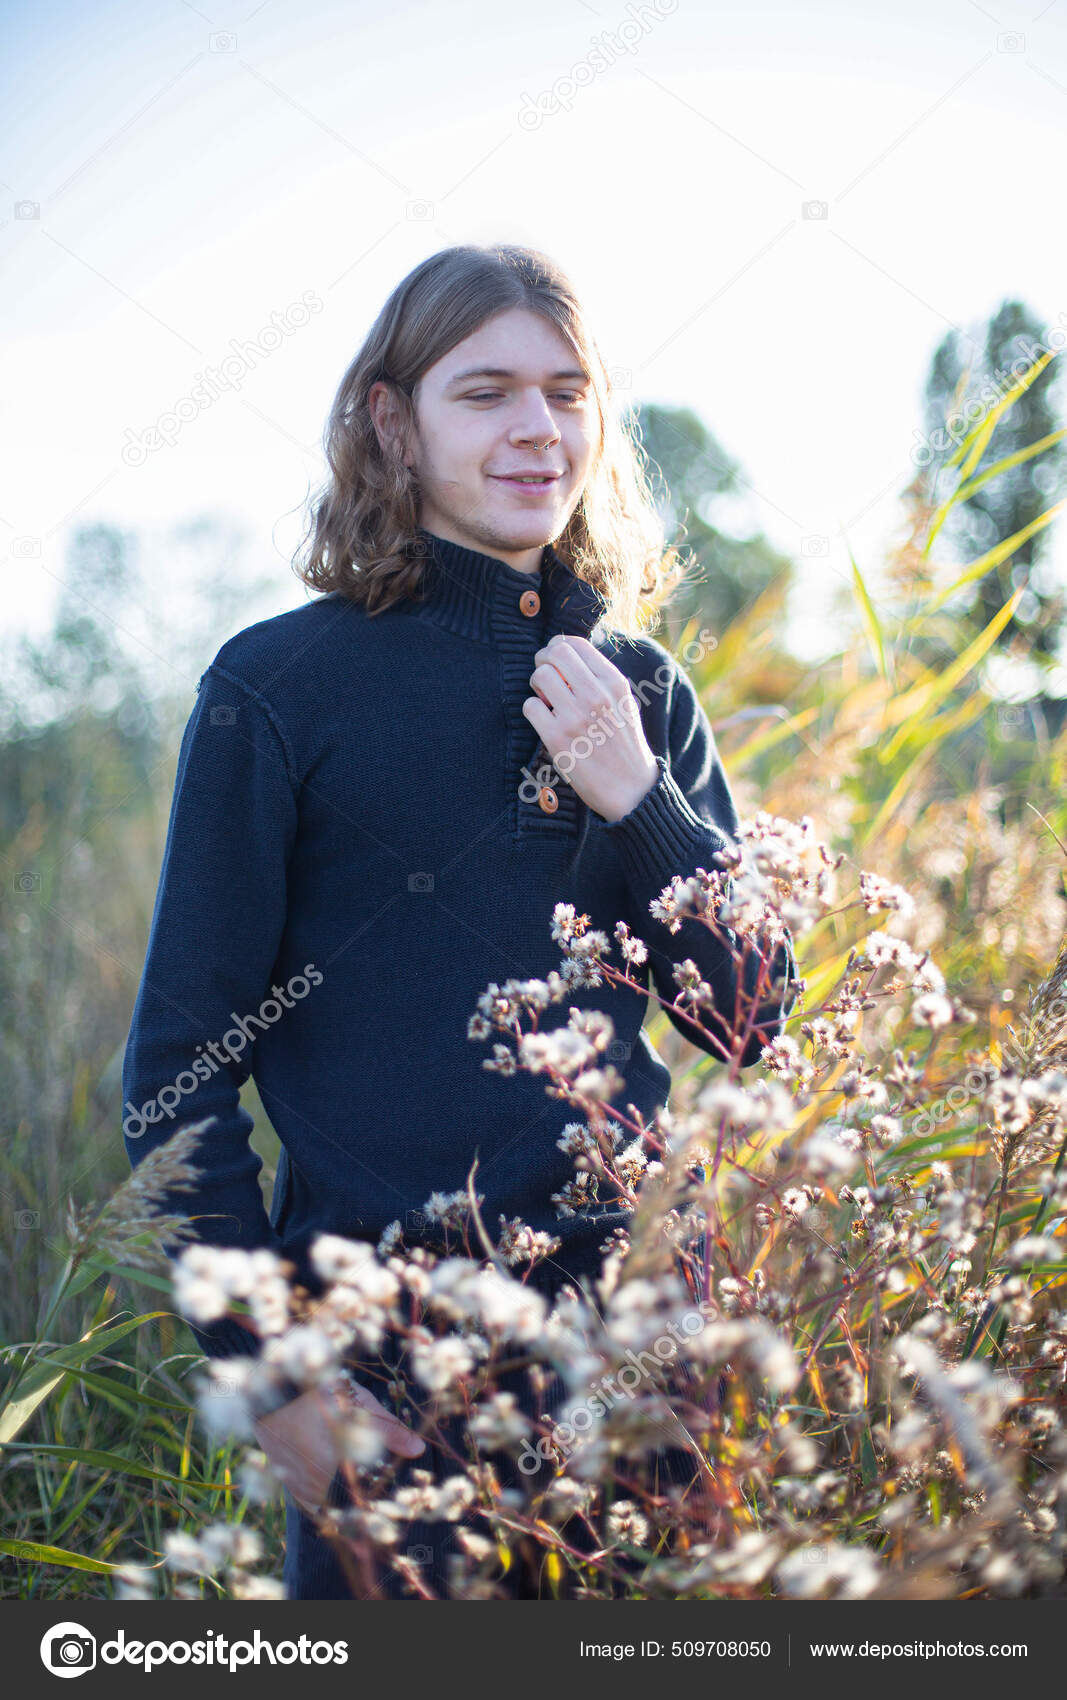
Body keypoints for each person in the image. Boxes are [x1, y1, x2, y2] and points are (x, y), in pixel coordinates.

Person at [121, 243, 799, 1599]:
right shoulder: (279, 689)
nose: (537, 430)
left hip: (647, 1354)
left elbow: (754, 1016)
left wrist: (637, 794)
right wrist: (282, 1383)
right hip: (390, 1379)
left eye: (567, 391)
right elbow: (175, 1079)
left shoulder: (640, 692)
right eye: (484, 392)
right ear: (394, 421)